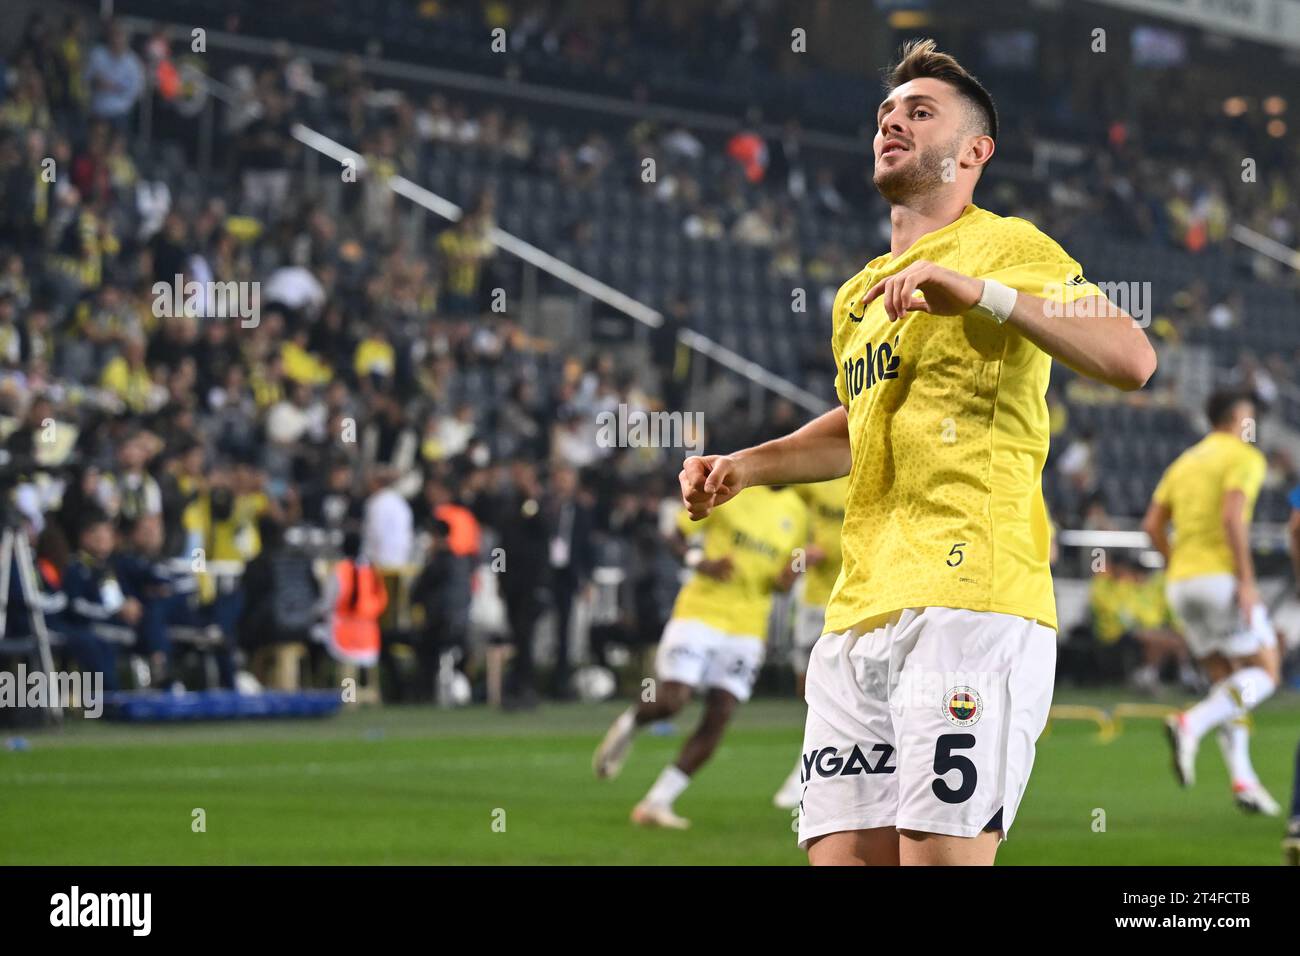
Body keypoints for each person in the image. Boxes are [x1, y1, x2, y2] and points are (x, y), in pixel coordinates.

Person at [675, 40, 1155, 865]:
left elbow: (1131, 358)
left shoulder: (1008, 246)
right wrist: (747, 465)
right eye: (886, 114)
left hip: (972, 604)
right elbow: (862, 424)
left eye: (919, 111)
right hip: (860, 611)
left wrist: (981, 294)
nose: (892, 121)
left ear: (975, 152)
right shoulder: (857, 295)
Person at [593, 485, 806, 829]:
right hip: (701, 611)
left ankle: (657, 802)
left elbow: (786, 573)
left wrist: (787, 577)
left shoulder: (796, 509)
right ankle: (630, 725)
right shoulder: (732, 488)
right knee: (674, 700)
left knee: (720, 713)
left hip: (749, 627)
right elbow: (675, 536)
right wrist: (700, 562)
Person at [1142, 390, 1282, 815]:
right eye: (1250, 416)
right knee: (1266, 672)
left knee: (1228, 685)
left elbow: (1152, 526)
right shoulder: (1243, 457)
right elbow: (1230, 517)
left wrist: (1177, 566)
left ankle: (1244, 780)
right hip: (1221, 580)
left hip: (1182, 584)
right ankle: (1190, 723)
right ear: (1238, 416)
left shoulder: (1184, 462)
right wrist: (1247, 580)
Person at [774, 475, 848, 809]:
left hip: (856, 599)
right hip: (815, 600)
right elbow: (787, 517)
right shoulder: (820, 478)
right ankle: (813, 765)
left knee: (848, 688)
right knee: (808, 689)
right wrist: (799, 556)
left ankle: (810, 773)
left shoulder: (881, 467)